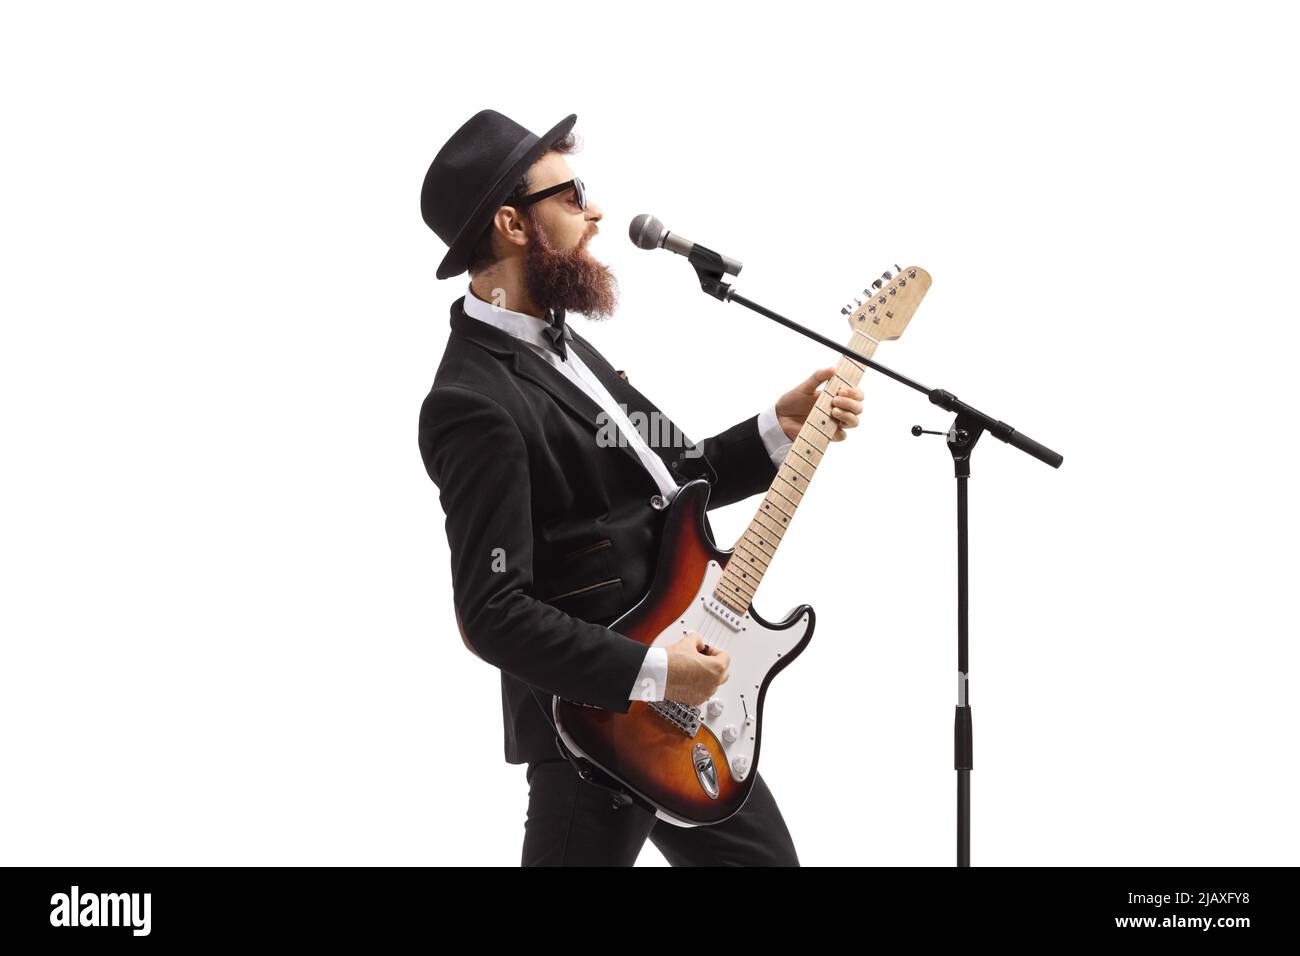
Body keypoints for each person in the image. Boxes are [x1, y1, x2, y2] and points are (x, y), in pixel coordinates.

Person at [417, 110, 865, 866]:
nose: (594, 213)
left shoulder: (568, 347)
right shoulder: (474, 403)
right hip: (594, 733)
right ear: (510, 223)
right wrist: (654, 673)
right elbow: (491, 614)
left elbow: (675, 471)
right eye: (571, 194)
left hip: (694, 717)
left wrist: (777, 425)